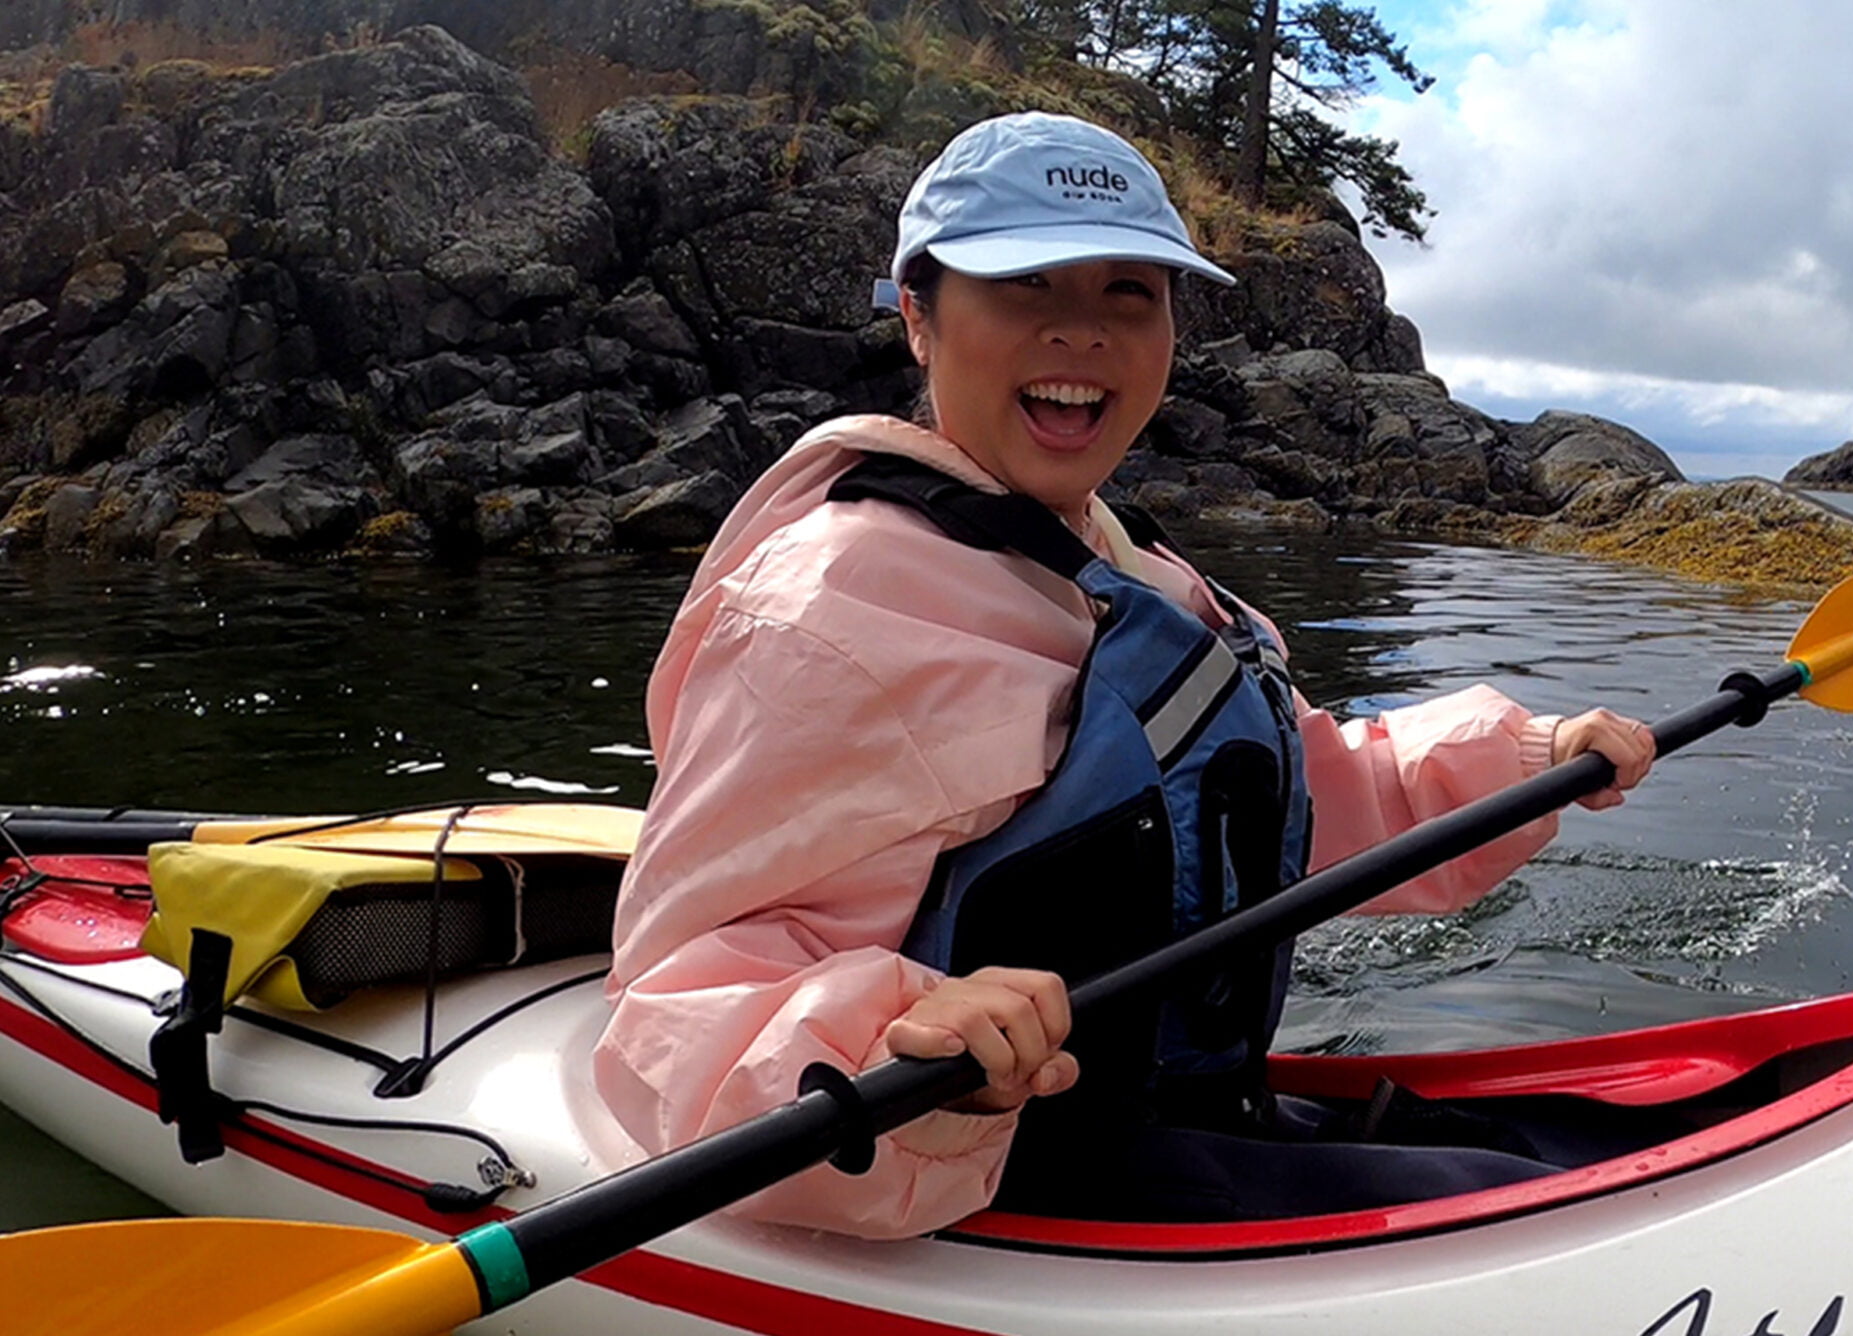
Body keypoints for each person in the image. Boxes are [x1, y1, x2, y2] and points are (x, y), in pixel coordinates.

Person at [594, 111, 1656, 1240]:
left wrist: (1525, 759)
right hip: (1011, 1186)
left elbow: (1291, 799)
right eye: (1026, 285)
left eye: (1126, 294)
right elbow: (679, 998)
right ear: (918, 316)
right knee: (1588, 1207)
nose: (1082, 332)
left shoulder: (1120, 562)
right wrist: (906, 1035)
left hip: (1195, 1130)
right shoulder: (828, 609)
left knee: (1602, 1139)